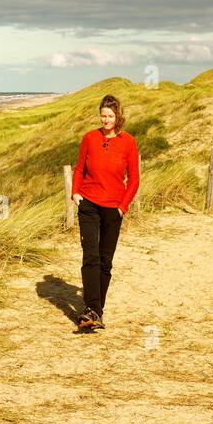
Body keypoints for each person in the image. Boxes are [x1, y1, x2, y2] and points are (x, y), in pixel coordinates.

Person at [70, 94, 140, 332]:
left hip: (113, 208)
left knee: (105, 260)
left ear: (118, 116)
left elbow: (134, 178)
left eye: (110, 115)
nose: (106, 120)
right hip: (88, 203)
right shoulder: (90, 138)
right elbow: (80, 167)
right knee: (90, 256)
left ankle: (96, 311)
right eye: (103, 115)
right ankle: (91, 309)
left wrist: (123, 206)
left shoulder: (128, 142)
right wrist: (75, 193)